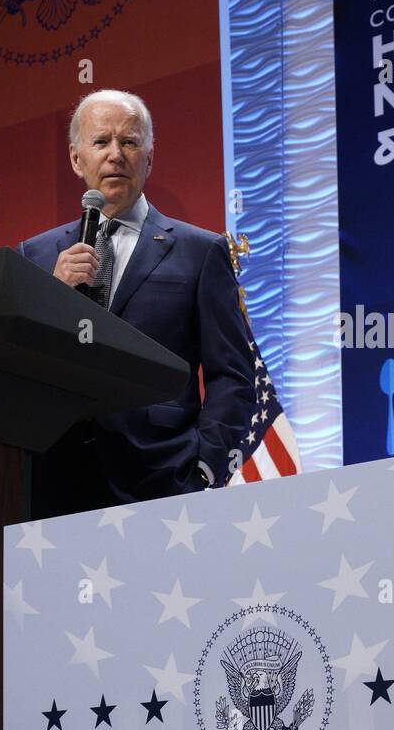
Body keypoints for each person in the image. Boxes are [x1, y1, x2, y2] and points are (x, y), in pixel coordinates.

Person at [19, 88, 256, 515]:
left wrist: (204, 467)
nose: (116, 155)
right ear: (76, 159)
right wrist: (51, 297)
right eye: (101, 142)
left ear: (149, 157)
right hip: (52, 481)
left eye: (129, 142)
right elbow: (18, 368)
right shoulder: (36, 256)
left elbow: (234, 376)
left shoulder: (200, 252)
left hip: (162, 479)